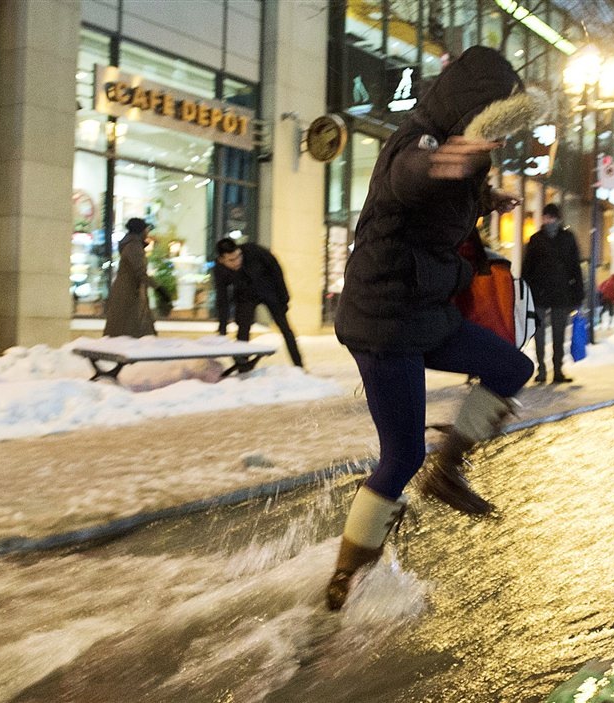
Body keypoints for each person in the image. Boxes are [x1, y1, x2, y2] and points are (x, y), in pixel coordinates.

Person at [326, 46, 535, 610]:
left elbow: (441, 199)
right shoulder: (418, 143)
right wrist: (449, 161)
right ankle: (345, 580)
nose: (501, 135)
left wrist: (484, 197)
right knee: (400, 456)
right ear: (472, 109)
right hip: (383, 320)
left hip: (424, 311)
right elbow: (412, 177)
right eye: (496, 119)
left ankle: (449, 470)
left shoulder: (466, 158)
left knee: (512, 366)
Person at [213, 238, 304, 368]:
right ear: (222, 260)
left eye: (238, 256)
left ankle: (299, 365)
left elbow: (275, 268)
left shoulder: (253, 250)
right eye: (231, 260)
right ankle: (242, 366)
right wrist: (222, 327)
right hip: (245, 295)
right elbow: (222, 298)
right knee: (243, 328)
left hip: (268, 289)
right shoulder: (219, 269)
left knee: (285, 328)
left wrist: (283, 297)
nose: (237, 261)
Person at [522, 203, 584, 383]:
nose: (548, 221)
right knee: (539, 334)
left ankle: (557, 370)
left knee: (559, 334)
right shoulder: (536, 239)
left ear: (557, 218)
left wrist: (578, 294)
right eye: (546, 217)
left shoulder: (568, 238)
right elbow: (527, 268)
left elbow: (575, 268)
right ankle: (541, 370)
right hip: (539, 293)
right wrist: (525, 293)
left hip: (560, 293)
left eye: (551, 217)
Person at [103, 218, 163, 338]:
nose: (147, 232)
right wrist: (159, 289)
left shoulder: (133, 245)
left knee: (126, 329)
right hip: (128, 293)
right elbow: (140, 272)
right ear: (141, 230)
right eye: (146, 229)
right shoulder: (133, 246)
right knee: (128, 331)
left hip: (128, 291)